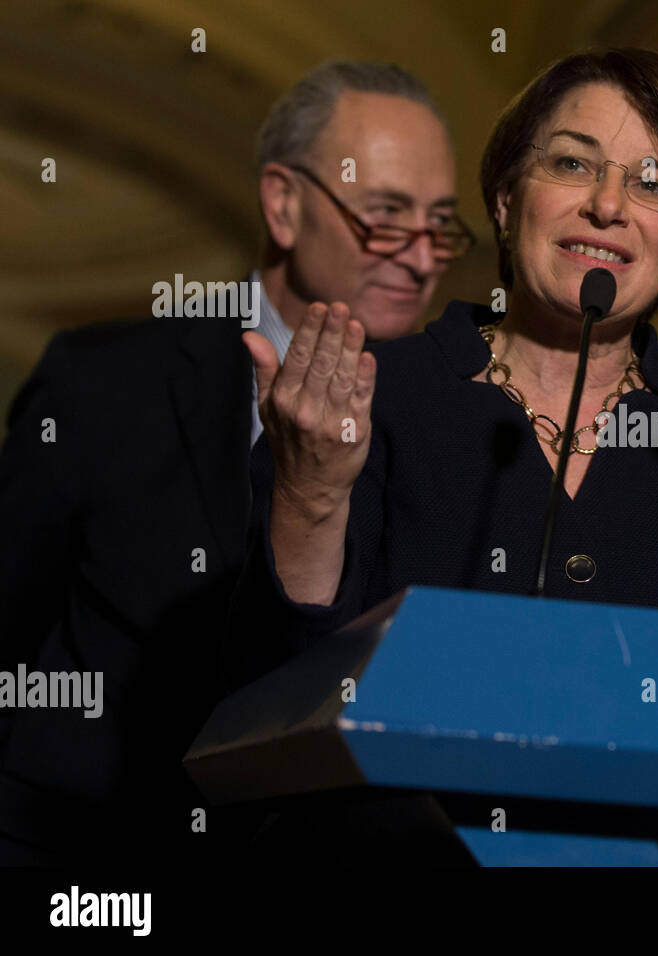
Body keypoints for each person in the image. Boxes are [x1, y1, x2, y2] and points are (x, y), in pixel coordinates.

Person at [0, 60, 470, 864]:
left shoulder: (463, 429)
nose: (421, 257)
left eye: (441, 226)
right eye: (386, 217)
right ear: (284, 204)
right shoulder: (102, 382)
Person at [227, 48, 658, 688]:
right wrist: (311, 497)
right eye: (571, 163)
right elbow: (270, 691)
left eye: (653, 184)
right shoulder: (369, 399)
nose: (608, 205)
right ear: (506, 201)